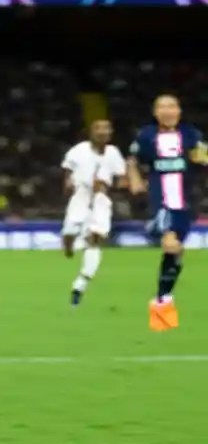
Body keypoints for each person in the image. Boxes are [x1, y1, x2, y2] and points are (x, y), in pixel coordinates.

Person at [127, 93, 208, 331]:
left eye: (172, 106)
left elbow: (201, 158)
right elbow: (132, 160)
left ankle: (162, 301)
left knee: (175, 253)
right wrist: (134, 180)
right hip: (159, 202)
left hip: (184, 205)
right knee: (170, 244)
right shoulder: (146, 135)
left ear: (179, 111)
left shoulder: (191, 134)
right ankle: (163, 302)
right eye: (162, 107)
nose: (168, 111)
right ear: (155, 112)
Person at [60, 119, 126, 306]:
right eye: (98, 128)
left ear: (111, 132)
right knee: (70, 232)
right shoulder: (78, 150)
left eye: (106, 128)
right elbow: (67, 173)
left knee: (95, 238)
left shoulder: (113, 154)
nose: (102, 132)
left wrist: (106, 187)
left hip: (101, 199)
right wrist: (68, 184)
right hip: (80, 195)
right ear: (91, 132)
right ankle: (68, 245)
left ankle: (80, 283)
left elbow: (122, 180)